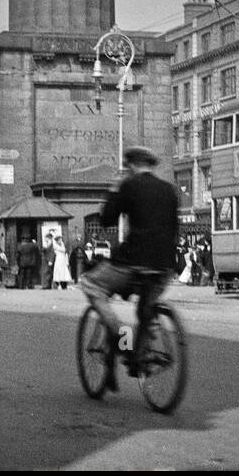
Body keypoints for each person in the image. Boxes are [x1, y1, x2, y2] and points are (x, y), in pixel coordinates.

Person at [80, 147, 178, 393]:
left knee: (91, 285)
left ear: (132, 165)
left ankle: (124, 340)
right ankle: (141, 352)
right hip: (164, 265)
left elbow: (107, 220)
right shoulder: (169, 190)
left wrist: (114, 190)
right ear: (151, 165)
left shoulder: (129, 185)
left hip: (132, 263)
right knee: (145, 308)